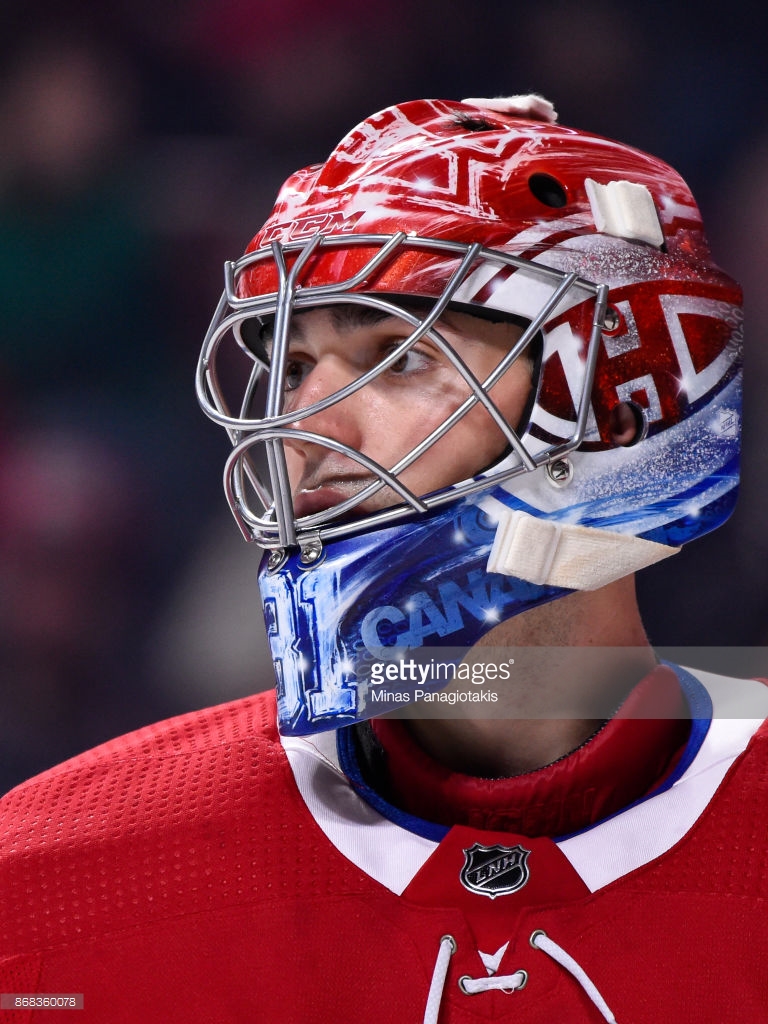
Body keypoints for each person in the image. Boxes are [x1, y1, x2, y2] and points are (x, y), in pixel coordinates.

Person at [1, 94, 765, 1023]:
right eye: (292, 370)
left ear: (622, 399)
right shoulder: (56, 875)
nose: (304, 428)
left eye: (395, 356)